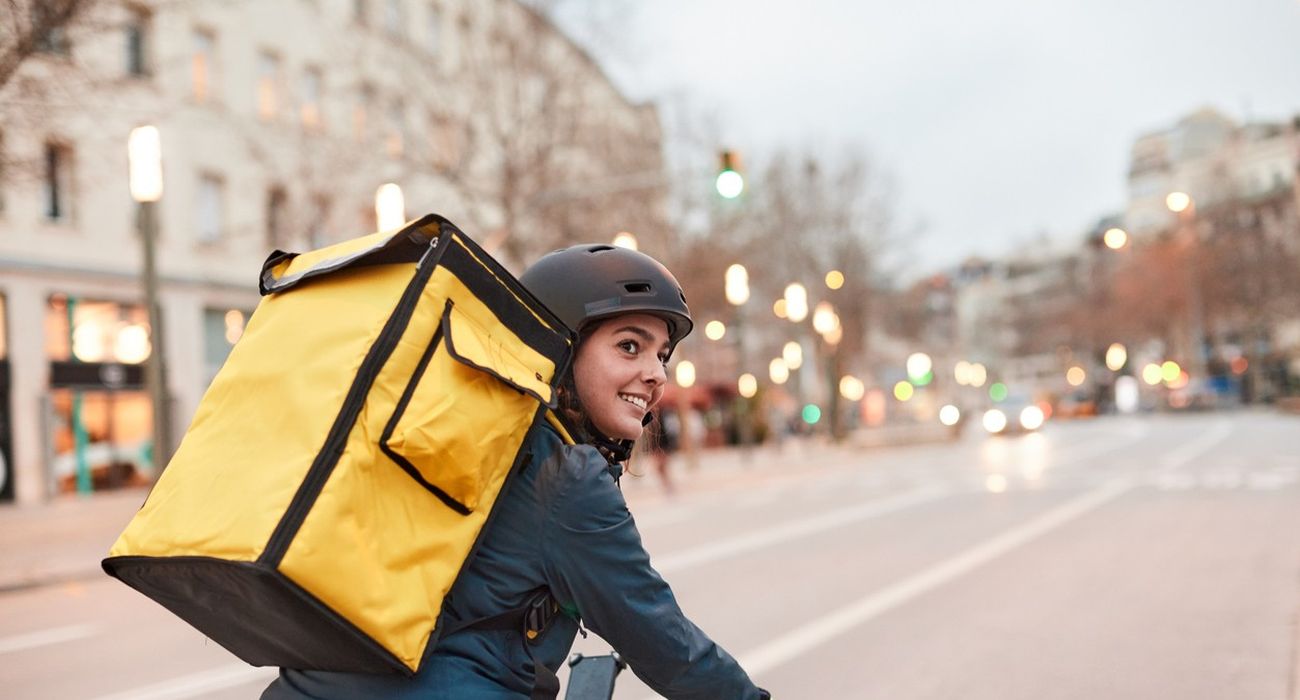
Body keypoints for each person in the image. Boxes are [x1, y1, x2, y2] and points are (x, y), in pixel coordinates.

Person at [262, 244, 769, 699]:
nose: (657, 373)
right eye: (629, 347)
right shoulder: (564, 476)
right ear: (559, 351)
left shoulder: (459, 435)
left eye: (662, 354)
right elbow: (663, 644)